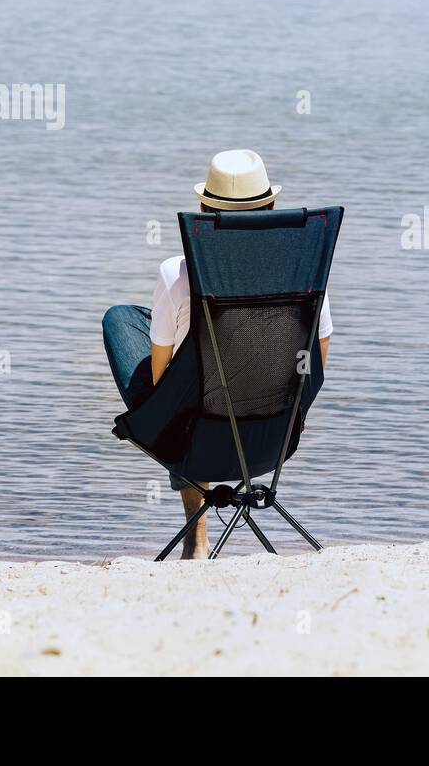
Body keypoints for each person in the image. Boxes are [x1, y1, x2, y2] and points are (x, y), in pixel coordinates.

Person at [102, 150, 332, 558]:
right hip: (275, 440)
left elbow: (159, 382)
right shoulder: (306, 276)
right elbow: (315, 362)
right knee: (175, 341)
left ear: (205, 210)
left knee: (122, 320)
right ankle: (198, 534)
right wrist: (295, 415)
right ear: (272, 208)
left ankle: (197, 538)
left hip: (196, 442)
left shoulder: (178, 272)